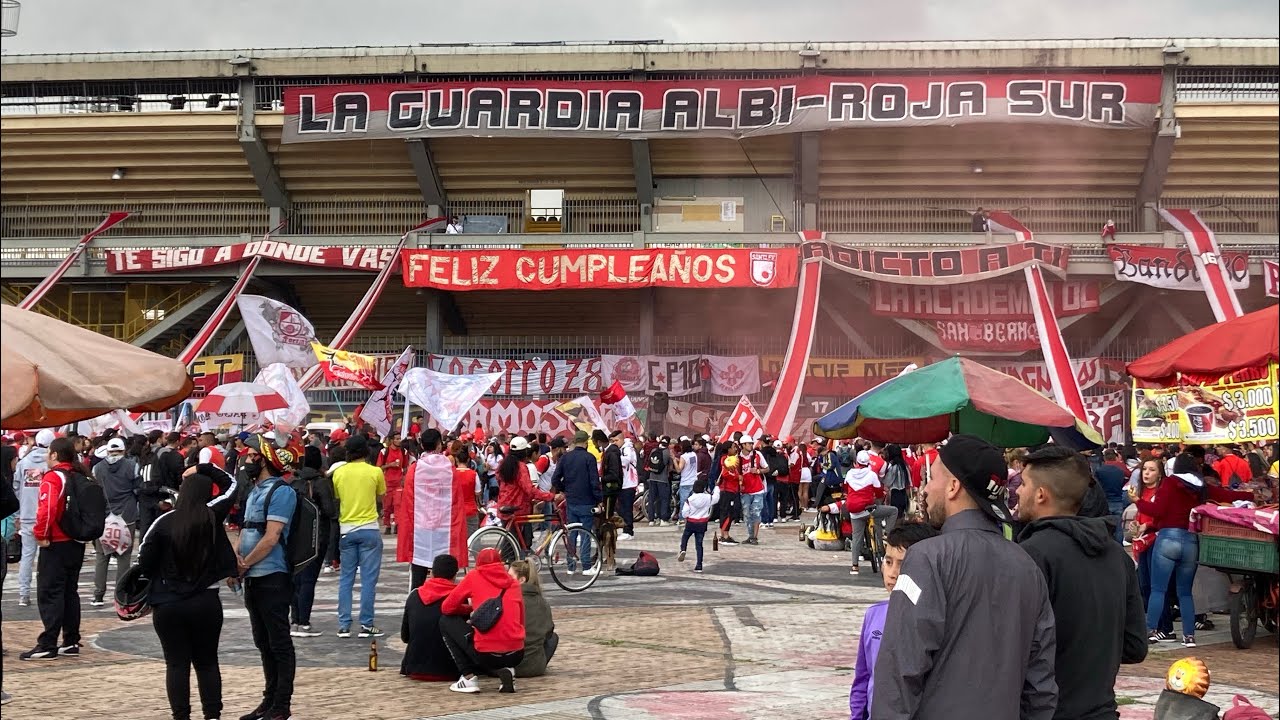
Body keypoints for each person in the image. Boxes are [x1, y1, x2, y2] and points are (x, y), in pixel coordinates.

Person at [870, 434, 1056, 720]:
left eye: (932, 479)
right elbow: (1040, 683)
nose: (926, 490)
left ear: (953, 486)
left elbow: (901, 668)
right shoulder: (1027, 566)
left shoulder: (926, 558)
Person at [1015, 446, 1147, 720]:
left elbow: (1014, 648)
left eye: (1024, 484)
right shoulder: (1116, 557)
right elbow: (1134, 646)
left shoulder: (1032, 555)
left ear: (1041, 494)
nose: (1017, 491)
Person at [137, 468, 238, 720]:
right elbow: (232, 485)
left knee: (176, 663)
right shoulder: (212, 516)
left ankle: (181, 715)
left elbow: (144, 560)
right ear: (207, 495)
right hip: (206, 601)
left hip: (168, 603)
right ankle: (212, 715)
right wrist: (205, 468)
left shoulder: (163, 522)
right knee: (207, 662)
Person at [1133, 453, 1253, 648]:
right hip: (1190, 540)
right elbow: (1226, 495)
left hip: (1167, 539)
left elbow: (1157, 511)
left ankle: (1151, 630)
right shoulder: (1200, 486)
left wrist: (1137, 500)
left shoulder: (1170, 483)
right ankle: (1189, 637)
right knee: (1185, 593)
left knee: (1158, 590)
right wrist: (1251, 495)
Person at [235, 435, 299, 720]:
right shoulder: (254, 491)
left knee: (279, 642)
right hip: (252, 576)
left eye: (250, 455)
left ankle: (281, 704)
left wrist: (244, 564)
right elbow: (247, 531)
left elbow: (272, 537)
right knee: (262, 641)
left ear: (262, 459)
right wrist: (235, 563)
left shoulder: (281, 492)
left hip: (273, 575)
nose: (246, 460)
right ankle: (268, 699)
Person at [850, 522, 939, 720]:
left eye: (903, 564)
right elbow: (863, 678)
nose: (893, 573)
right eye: (888, 562)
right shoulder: (874, 615)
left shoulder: (934, 620)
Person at [20, 437, 89, 661]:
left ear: (55, 455)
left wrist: (40, 535)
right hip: (76, 541)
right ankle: (70, 641)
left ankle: (48, 643)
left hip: (56, 542)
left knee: (50, 592)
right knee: (70, 591)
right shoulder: (80, 475)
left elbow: (47, 509)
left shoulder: (53, 477)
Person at [440, 547, 526, 694]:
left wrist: (470, 609)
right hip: (516, 652)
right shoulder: (513, 583)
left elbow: (447, 607)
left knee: (445, 621)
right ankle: (508, 670)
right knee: (502, 642)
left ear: (478, 563)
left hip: (487, 654)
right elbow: (522, 619)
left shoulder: (474, 576)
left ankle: (468, 677)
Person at [399, 429, 473, 589]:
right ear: (439, 445)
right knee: (445, 573)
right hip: (444, 528)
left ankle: (415, 602)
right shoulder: (448, 468)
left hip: (421, 528)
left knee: (418, 571)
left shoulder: (415, 468)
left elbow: (408, 501)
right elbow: (456, 499)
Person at [331, 434, 387, 639]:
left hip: (346, 530)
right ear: (365, 451)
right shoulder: (375, 472)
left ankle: (344, 624)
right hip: (370, 529)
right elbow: (381, 495)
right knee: (368, 580)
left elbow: (337, 497)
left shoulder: (339, 473)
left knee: (346, 579)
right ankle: (366, 623)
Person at [289, 446, 336, 638]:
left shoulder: (293, 482)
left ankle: (294, 620)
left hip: (295, 538)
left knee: (296, 580)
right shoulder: (321, 483)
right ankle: (304, 622)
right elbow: (330, 511)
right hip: (317, 538)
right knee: (309, 580)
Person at [90, 437, 141, 607]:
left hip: (104, 516)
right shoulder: (132, 466)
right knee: (123, 557)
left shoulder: (97, 468)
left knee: (101, 556)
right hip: (127, 515)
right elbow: (137, 488)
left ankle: (98, 594)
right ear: (123, 449)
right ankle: (121, 594)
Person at [1129, 459, 1174, 640]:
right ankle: (1154, 625)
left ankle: (1165, 627)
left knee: (1156, 585)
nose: (1146, 473)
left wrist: (1147, 525)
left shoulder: (1162, 492)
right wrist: (1136, 524)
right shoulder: (1141, 491)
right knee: (1144, 584)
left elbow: (1160, 514)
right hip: (1143, 541)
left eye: (1151, 470)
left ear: (1160, 473)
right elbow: (1142, 512)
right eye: (1144, 469)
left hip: (1157, 539)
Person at [400, 553, 463, 682]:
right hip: (450, 670)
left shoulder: (414, 595)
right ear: (455, 575)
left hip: (414, 667)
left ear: (431, 573)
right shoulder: (459, 598)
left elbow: (405, 637)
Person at [548, 431, 601, 575]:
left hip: (571, 501)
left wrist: (565, 489)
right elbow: (594, 481)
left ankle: (571, 566)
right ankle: (586, 566)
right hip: (587, 500)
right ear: (585, 443)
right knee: (586, 533)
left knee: (571, 532)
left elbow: (555, 480)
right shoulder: (589, 458)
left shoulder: (565, 458)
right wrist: (599, 499)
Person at [839, 451, 898, 576]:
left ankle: (855, 566)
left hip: (854, 511)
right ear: (868, 463)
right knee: (893, 511)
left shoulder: (849, 473)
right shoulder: (871, 474)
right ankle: (888, 533)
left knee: (856, 538)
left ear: (856, 462)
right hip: (869, 508)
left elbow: (845, 488)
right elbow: (879, 491)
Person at [12, 428, 54, 608]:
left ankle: (24, 594)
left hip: (28, 514)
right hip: (48, 515)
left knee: (27, 555)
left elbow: (16, 487)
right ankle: (46, 592)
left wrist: (20, 511)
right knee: (49, 555)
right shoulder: (51, 463)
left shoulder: (24, 462)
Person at [510, 559, 557, 678]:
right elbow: (549, 632)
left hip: (510, 664)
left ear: (521, 580)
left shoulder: (510, 599)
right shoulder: (543, 603)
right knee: (553, 638)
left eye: (510, 576)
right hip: (535, 667)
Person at [678, 479, 719, 573]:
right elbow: (716, 498)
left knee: (685, 537)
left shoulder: (690, 499)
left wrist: (686, 516)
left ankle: (683, 549)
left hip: (691, 522)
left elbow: (684, 513)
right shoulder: (708, 497)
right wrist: (716, 487)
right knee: (699, 544)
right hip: (702, 523)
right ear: (703, 488)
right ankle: (699, 565)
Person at [376, 434, 407, 535]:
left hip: (398, 483)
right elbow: (379, 467)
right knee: (387, 506)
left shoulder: (404, 452)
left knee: (398, 505)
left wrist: (404, 477)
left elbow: (405, 467)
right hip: (387, 483)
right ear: (391, 440)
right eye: (397, 439)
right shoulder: (384, 452)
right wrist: (390, 465)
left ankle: (397, 525)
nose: (399, 441)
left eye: (400, 439)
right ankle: (387, 526)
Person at [716, 442, 743, 545]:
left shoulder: (733, 459)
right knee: (727, 512)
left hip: (733, 489)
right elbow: (725, 473)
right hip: (727, 489)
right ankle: (724, 534)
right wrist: (737, 477)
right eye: (733, 447)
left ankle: (725, 533)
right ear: (728, 449)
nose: (735, 449)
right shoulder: (725, 459)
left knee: (729, 512)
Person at [643, 436, 672, 526]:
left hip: (652, 478)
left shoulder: (653, 451)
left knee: (652, 499)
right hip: (662, 479)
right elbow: (670, 468)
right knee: (663, 499)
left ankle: (651, 520)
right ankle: (663, 519)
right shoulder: (667, 453)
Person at [617, 436, 639, 541]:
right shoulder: (623, 449)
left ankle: (628, 531)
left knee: (627, 508)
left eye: (616, 440)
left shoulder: (627, 449)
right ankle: (626, 529)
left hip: (629, 483)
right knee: (622, 508)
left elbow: (626, 460)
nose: (615, 443)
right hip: (624, 483)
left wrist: (616, 457)